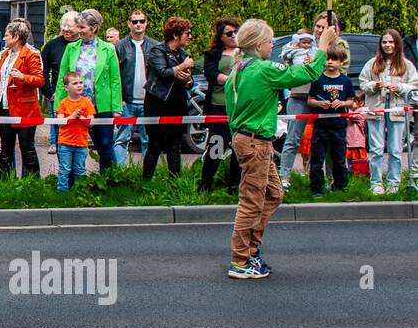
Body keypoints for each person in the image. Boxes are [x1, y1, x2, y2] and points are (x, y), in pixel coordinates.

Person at [224, 18, 335, 279]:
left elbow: (233, 110)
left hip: (246, 138)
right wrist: (323, 46)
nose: (273, 45)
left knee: (273, 194)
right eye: (270, 40)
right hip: (256, 142)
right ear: (259, 44)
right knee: (251, 202)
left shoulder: (239, 69)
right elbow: (306, 75)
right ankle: (240, 259)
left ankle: (251, 251)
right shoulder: (263, 68)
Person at [279, 11, 342, 188]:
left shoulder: (335, 46)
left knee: (328, 139)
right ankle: (283, 178)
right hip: (300, 94)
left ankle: (331, 179)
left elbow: (340, 69)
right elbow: (286, 58)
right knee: (293, 137)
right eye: (318, 26)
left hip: (324, 97)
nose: (319, 30)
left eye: (324, 27)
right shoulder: (302, 44)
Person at [55, 9, 122, 170]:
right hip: (75, 106)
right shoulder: (71, 48)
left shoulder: (108, 49)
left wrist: (116, 107)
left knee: (105, 144)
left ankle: (109, 180)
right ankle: (71, 182)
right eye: (78, 27)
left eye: (82, 27)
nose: (78, 31)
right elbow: (62, 77)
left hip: (100, 105)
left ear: (94, 28)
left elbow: (115, 79)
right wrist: (59, 106)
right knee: (72, 144)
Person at [357, 28, 418, 194]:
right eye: (384, 42)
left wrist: (398, 87)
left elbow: (414, 86)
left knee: (395, 149)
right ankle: (376, 183)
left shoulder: (406, 65)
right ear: (380, 44)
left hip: (397, 111)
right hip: (376, 109)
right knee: (376, 149)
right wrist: (374, 85)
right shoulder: (372, 63)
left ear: (397, 44)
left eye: (391, 42)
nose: (387, 45)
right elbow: (363, 83)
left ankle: (393, 183)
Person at [0, 18, 43, 177]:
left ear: (16, 37)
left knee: (27, 147)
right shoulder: (4, 54)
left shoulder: (31, 55)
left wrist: (23, 77)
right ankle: (4, 181)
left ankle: (32, 180)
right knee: (6, 147)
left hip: (24, 109)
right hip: (4, 107)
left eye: (6, 35)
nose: (4, 38)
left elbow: (39, 80)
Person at [142, 16, 194, 180]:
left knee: (175, 145)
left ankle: (175, 181)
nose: (190, 36)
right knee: (155, 145)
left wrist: (187, 79)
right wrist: (183, 67)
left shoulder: (183, 53)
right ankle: (146, 180)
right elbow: (164, 73)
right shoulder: (158, 51)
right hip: (158, 103)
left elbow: (187, 80)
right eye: (187, 33)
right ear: (176, 35)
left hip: (177, 103)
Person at [199, 17, 242, 193]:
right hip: (219, 106)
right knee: (216, 146)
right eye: (229, 33)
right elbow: (213, 75)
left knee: (239, 147)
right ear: (220, 36)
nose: (233, 36)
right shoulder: (212, 55)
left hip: (241, 107)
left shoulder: (246, 52)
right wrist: (236, 80)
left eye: (236, 32)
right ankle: (206, 183)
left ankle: (234, 185)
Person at [307, 44, 354, 197]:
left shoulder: (346, 81)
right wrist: (320, 103)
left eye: (334, 59)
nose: (330, 62)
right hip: (320, 125)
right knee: (317, 158)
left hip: (339, 125)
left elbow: (351, 102)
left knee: (339, 157)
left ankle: (340, 186)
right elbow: (310, 100)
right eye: (327, 59)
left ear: (341, 62)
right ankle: (316, 188)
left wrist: (342, 103)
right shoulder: (318, 79)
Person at [114, 10, 159, 165]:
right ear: (129, 24)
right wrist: (119, 100)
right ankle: (119, 174)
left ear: (146, 23)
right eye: (135, 21)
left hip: (148, 102)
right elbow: (115, 75)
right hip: (127, 102)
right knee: (122, 139)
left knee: (149, 139)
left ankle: (148, 175)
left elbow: (158, 74)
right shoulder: (119, 47)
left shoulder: (155, 46)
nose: (138, 24)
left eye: (142, 21)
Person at [42, 11, 80, 153]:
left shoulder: (85, 46)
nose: (65, 29)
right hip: (59, 96)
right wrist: (49, 93)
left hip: (82, 98)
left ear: (78, 27)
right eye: (63, 26)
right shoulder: (51, 46)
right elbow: (43, 71)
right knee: (60, 132)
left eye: (69, 26)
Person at [55, 72, 96, 192]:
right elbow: (60, 122)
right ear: (67, 88)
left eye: (81, 82)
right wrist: (73, 116)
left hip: (81, 143)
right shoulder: (63, 103)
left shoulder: (87, 102)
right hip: (65, 143)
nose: (79, 85)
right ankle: (62, 191)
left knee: (80, 169)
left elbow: (91, 123)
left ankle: (80, 191)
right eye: (75, 83)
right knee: (65, 169)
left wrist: (81, 118)